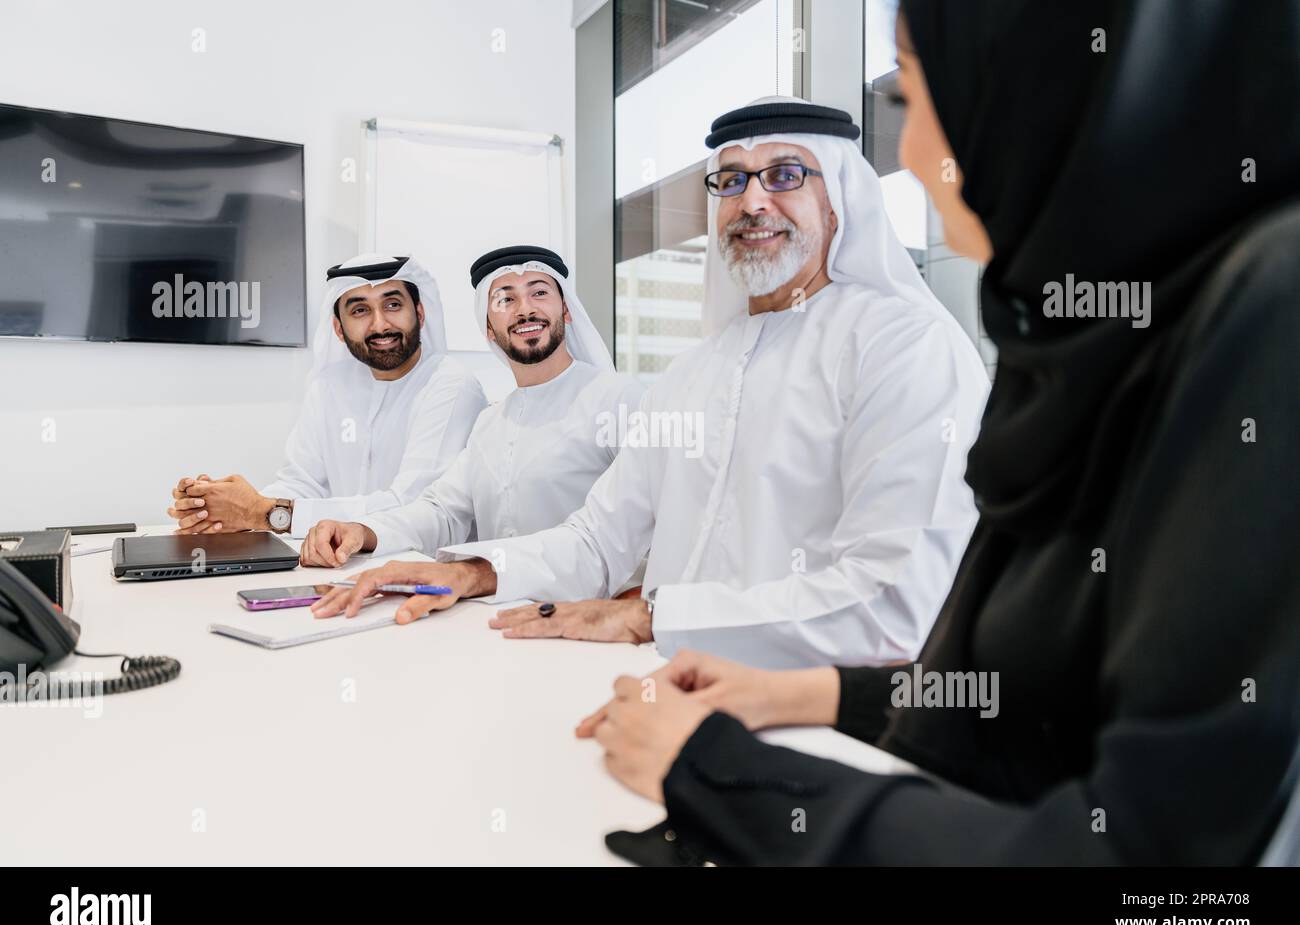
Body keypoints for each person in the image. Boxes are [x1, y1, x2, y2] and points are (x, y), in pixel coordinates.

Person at [577, 0, 1300, 865]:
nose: (911, 154)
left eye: (913, 97)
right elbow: (1022, 702)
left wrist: (717, 774)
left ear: (1038, 89)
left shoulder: (1267, 316)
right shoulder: (1073, 341)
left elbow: (1163, 879)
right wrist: (806, 694)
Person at [326, 98, 989, 669]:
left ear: (838, 200)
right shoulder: (691, 374)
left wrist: (655, 618)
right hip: (657, 697)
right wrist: (471, 572)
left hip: (815, 731)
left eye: (785, 175)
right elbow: (597, 538)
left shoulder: (904, 347)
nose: (752, 200)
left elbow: (894, 600)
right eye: (730, 181)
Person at [304, 246, 644, 623]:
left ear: (565, 310)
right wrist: (362, 532)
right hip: (499, 622)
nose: (525, 309)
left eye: (539, 292)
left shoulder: (622, 401)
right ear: (488, 327)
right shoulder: (491, 421)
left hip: (596, 625)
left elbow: (608, 536)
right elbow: (442, 510)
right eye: (505, 299)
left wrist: (470, 574)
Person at [166, 255, 486, 538]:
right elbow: (302, 483)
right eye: (360, 310)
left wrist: (266, 513)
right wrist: (217, 507)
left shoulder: (451, 384)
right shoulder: (330, 385)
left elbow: (412, 506)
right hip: (338, 564)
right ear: (338, 328)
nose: (380, 324)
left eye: (392, 305)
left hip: (424, 575)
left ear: (419, 312)